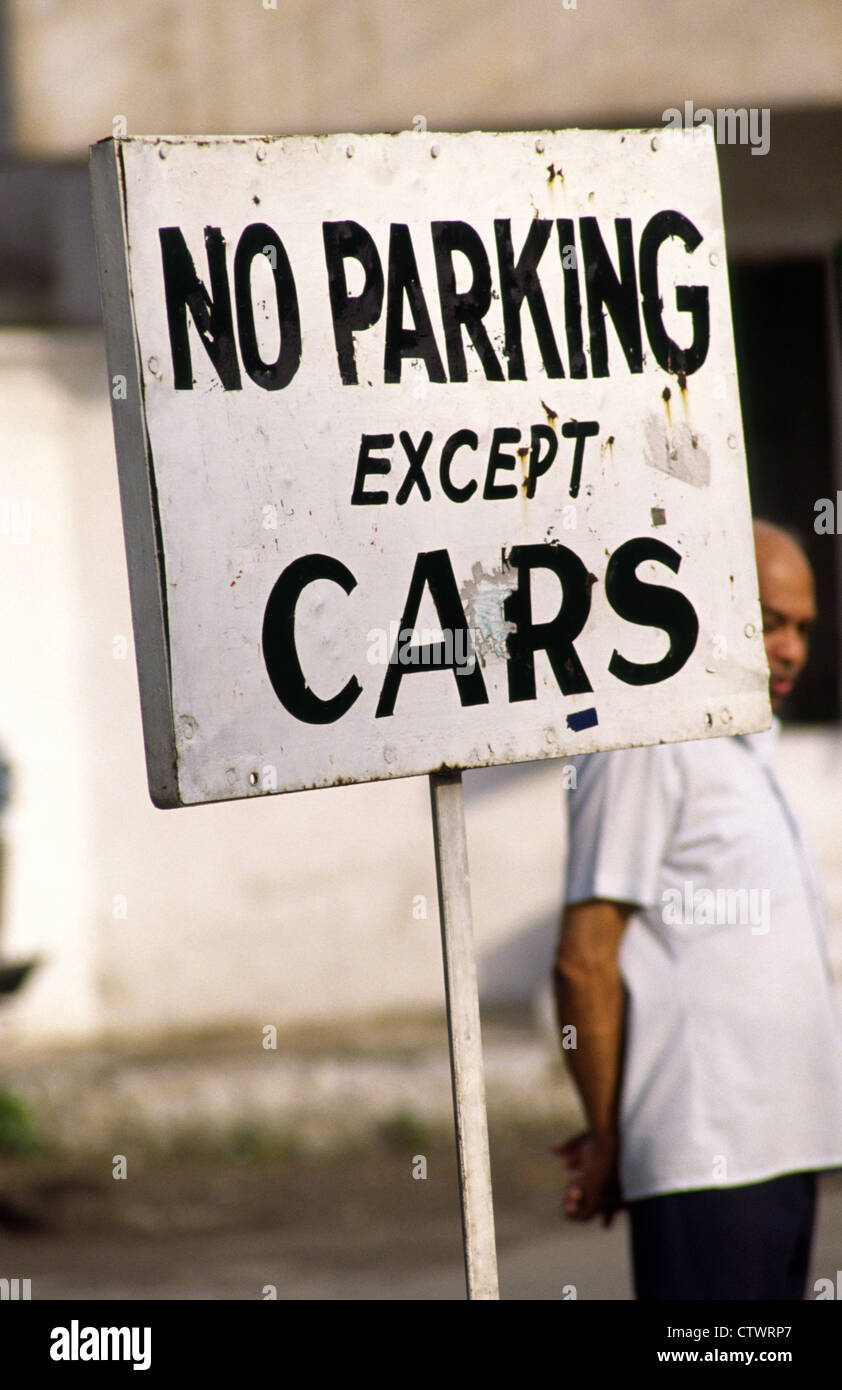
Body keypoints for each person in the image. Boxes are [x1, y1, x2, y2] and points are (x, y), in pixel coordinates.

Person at [553, 519, 842, 1299]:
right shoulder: (648, 739)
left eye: (804, 629)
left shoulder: (747, 748)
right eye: (769, 620)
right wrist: (611, 1135)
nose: (791, 649)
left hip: (783, 1153)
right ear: (709, 605)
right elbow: (584, 957)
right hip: (703, 1158)